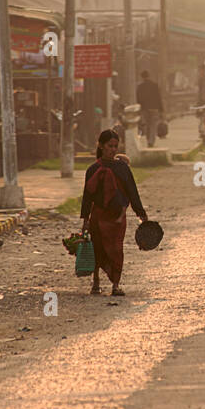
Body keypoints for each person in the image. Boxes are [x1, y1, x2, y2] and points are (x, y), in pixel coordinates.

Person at [80, 129, 149, 296]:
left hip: (118, 216)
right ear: (101, 146)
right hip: (99, 215)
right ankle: (95, 282)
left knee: (116, 249)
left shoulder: (122, 168)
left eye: (115, 146)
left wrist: (141, 212)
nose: (113, 149)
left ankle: (115, 285)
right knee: (98, 248)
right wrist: (85, 219)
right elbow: (87, 196)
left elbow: (132, 191)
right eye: (110, 146)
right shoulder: (93, 169)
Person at [135, 70, 163, 147]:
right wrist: (161, 109)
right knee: (153, 125)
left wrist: (140, 108)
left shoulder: (140, 87)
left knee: (147, 125)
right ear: (149, 76)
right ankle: (151, 141)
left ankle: (148, 140)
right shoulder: (154, 85)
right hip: (154, 108)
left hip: (144, 109)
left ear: (142, 77)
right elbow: (158, 98)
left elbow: (138, 99)